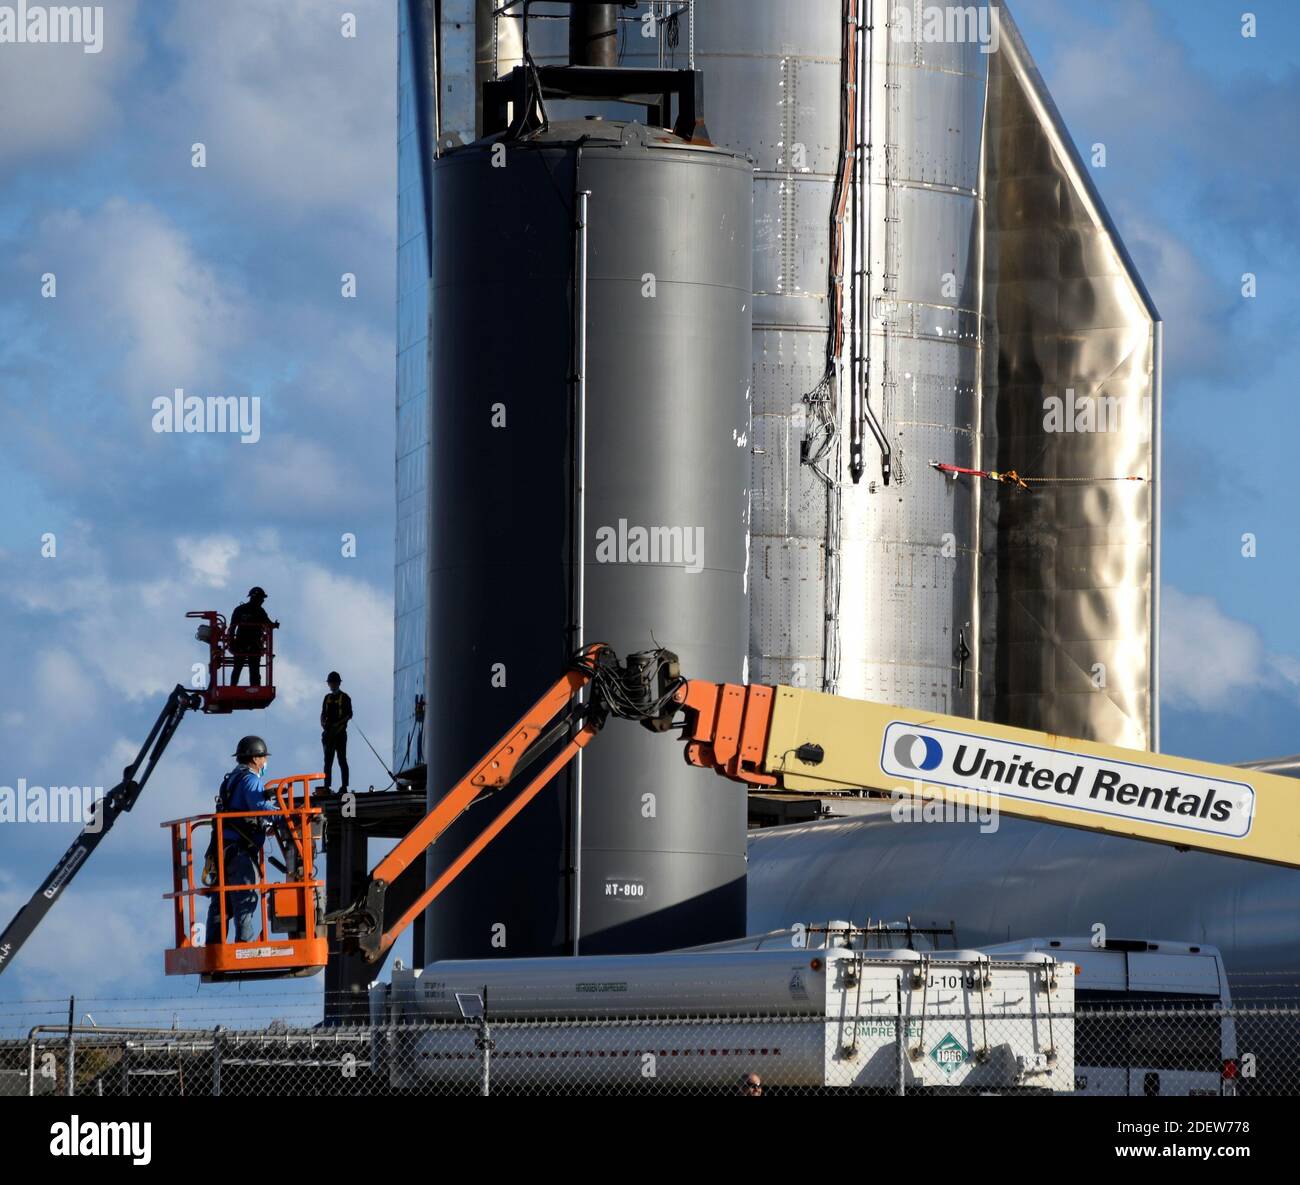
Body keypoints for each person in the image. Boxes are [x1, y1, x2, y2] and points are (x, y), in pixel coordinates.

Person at [205, 736, 275, 945]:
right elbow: (261, 808)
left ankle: (213, 948)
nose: (264, 762)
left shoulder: (231, 779)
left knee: (222, 902)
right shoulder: (250, 780)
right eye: (262, 757)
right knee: (245, 900)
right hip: (240, 852)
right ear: (255, 758)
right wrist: (288, 815)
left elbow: (242, 811)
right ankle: (244, 947)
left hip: (223, 849)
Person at [229, 587, 275, 686]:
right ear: (255, 598)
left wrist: (273, 625)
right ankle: (239, 687)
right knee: (241, 667)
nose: (263, 601)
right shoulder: (241, 610)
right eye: (261, 598)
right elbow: (232, 628)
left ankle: (252, 688)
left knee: (251, 668)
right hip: (243, 644)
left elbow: (268, 623)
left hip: (252, 644)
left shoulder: (259, 611)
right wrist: (231, 642)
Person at [320, 671, 353, 793]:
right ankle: (326, 786)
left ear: (338, 683)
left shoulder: (345, 697)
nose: (332, 685)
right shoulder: (327, 698)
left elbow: (349, 714)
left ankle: (344, 786)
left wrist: (338, 725)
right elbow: (323, 714)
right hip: (329, 734)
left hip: (340, 734)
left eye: (334, 683)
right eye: (331, 683)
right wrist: (324, 725)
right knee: (328, 761)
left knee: (341, 759)